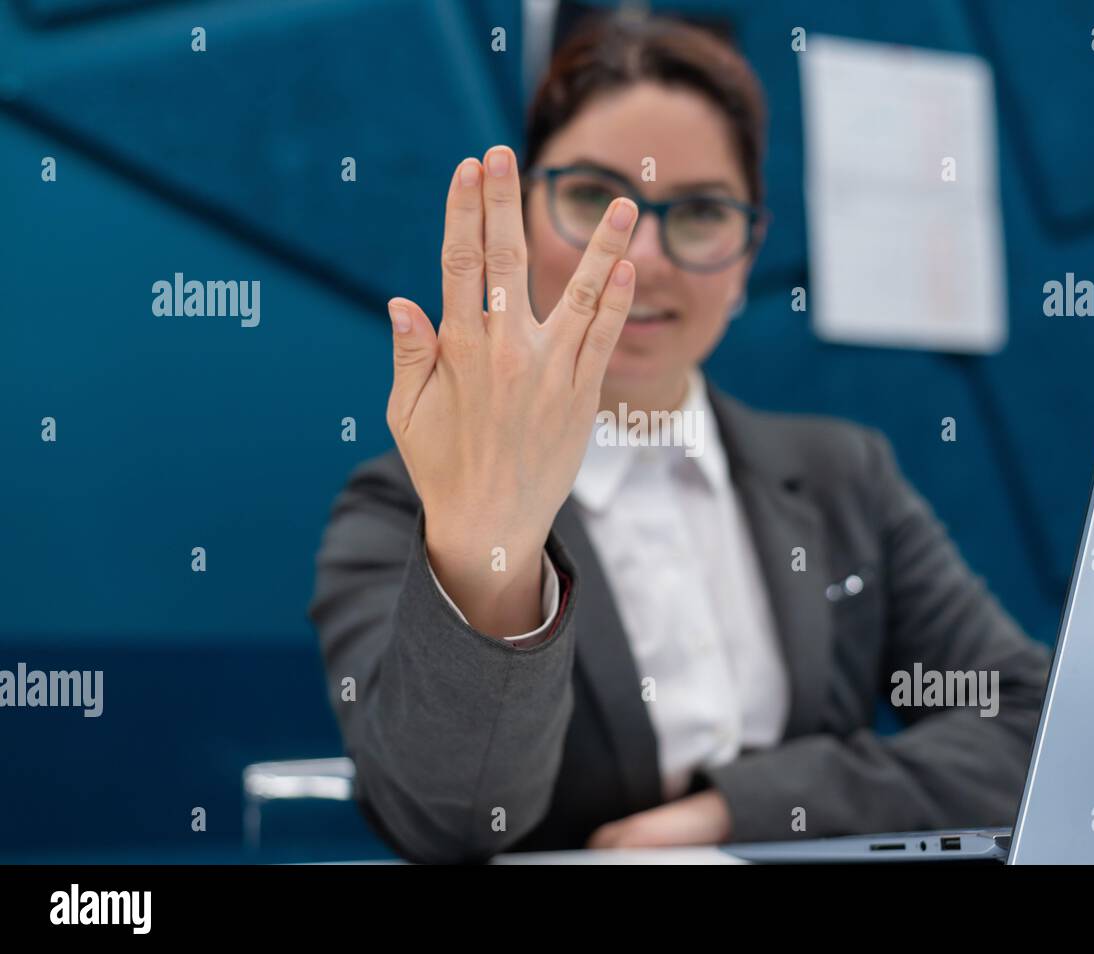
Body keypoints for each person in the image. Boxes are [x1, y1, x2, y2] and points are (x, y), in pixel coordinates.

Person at [309, 13, 1048, 864]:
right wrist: (493, 552)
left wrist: (737, 812)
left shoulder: (845, 476)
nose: (643, 258)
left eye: (698, 212)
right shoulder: (402, 503)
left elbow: (1023, 722)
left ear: (747, 256)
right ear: (521, 214)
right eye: (592, 199)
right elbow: (444, 823)